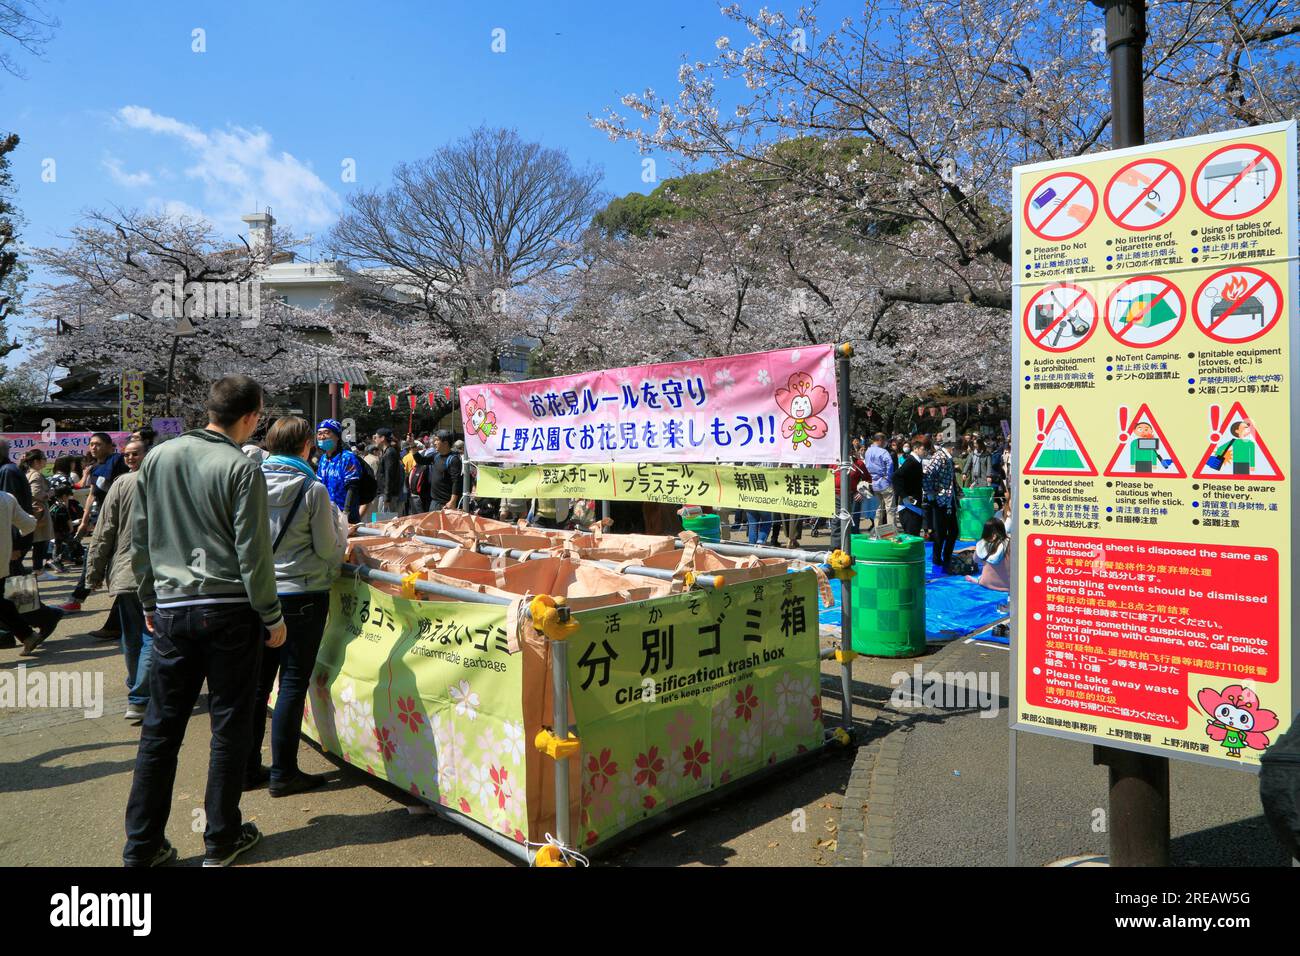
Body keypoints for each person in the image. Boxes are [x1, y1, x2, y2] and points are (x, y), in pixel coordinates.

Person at [124, 375, 286, 868]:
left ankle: (142, 845)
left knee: (160, 730)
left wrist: (149, 599)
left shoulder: (157, 458)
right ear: (253, 416)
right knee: (230, 725)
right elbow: (253, 553)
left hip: (172, 610)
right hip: (231, 611)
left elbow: (141, 537)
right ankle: (221, 837)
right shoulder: (240, 467)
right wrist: (272, 615)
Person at [249, 416, 348, 796]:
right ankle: (284, 772)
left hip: (259, 593)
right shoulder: (312, 488)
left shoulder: (251, 480)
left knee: (258, 685)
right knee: (291, 683)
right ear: (305, 445)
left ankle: (246, 768)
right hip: (303, 594)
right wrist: (341, 538)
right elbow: (326, 549)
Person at [86, 438, 151, 722]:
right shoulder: (167, 483)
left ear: (148, 454)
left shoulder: (122, 485)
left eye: (135, 453)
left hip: (128, 572)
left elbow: (105, 531)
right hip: (157, 574)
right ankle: (140, 694)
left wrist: (94, 573)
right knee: (148, 636)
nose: (130, 458)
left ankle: (137, 695)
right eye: (126, 454)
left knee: (136, 636)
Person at [61, 432, 128, 615]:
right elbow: (91, 495)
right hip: (103, 519)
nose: (93, 447)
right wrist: (84, 521)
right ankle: (80, 596)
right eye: (91, 444)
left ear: (109, 445)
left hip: (121, 519)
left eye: (98, 444)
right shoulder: (95, 467)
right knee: (94, 555)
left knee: (97, 555)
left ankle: (79, 596)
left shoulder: (117, 461)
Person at [315, 419, 362, 522]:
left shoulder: (348, 458)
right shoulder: (323, 459)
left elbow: (352, 487)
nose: (322, 437)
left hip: (345, 516)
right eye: (319, 433)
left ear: (337, 436)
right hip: (326, 514)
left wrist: (346, 513)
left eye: (327, 433)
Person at [924, 437, 960, 573]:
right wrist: (931, 492)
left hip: (949, 499)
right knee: (940, 532)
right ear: (953, 448)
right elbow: (927, 473)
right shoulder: (939, 456)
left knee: (953, 530)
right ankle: (937, 558)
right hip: (940, 499)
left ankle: (946, 556)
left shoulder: (947, 457)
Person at [21, 449, 56, 581]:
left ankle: (36, 570)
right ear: (36, 461)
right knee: (40, 543)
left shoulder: (27, 473)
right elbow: (35, 493)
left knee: (34, 543)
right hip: (39, 513)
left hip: (32, 512)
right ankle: (38, 571)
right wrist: (49, 493)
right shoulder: (35, 475)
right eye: (44, 458)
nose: (45, 461)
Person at [416, 430, 462, 512]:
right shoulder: (436, 456)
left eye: (437, 440)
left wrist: (452, 501)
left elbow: (456, 481)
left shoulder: (453, 459)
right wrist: (412, 444)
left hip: (445, 504)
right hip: (434, 502)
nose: (434, 443)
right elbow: (421, 460)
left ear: (445, 443)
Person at [893, 434, 925, 537]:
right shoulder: (911, 461)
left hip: (914, 503)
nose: (925, 452)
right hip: (909, 506)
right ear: (916, 449)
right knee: (911, 534)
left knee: (914, 533)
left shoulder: (916, 461)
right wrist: (903, 495)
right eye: (922, 449)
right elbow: (896, 477)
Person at [965, 518, 1010, 591]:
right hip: (1008, 585)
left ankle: (978, 580)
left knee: (983, 573)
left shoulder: (981, 543)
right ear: (1002, 529)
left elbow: (976, 560)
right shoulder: (1010, 543)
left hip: (986, 583)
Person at [864, 433, 894, 527]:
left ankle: (876, 529)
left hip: (873, 482)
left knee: (878, 508)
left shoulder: (867, 451)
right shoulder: (883, 452)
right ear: (880, 440)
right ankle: (891, 531)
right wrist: (888, 478)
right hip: (884, 482)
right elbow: (890, 464)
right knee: (890, 509)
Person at [372, 428, 404, 515]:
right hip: (384, 494)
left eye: (376, 437)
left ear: (382, 438)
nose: (374, 439)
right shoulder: (387, 452)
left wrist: (387, 497)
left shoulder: (390, 452)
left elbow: (389, 476)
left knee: (383, 523)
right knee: (379, 521)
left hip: (387, 496)